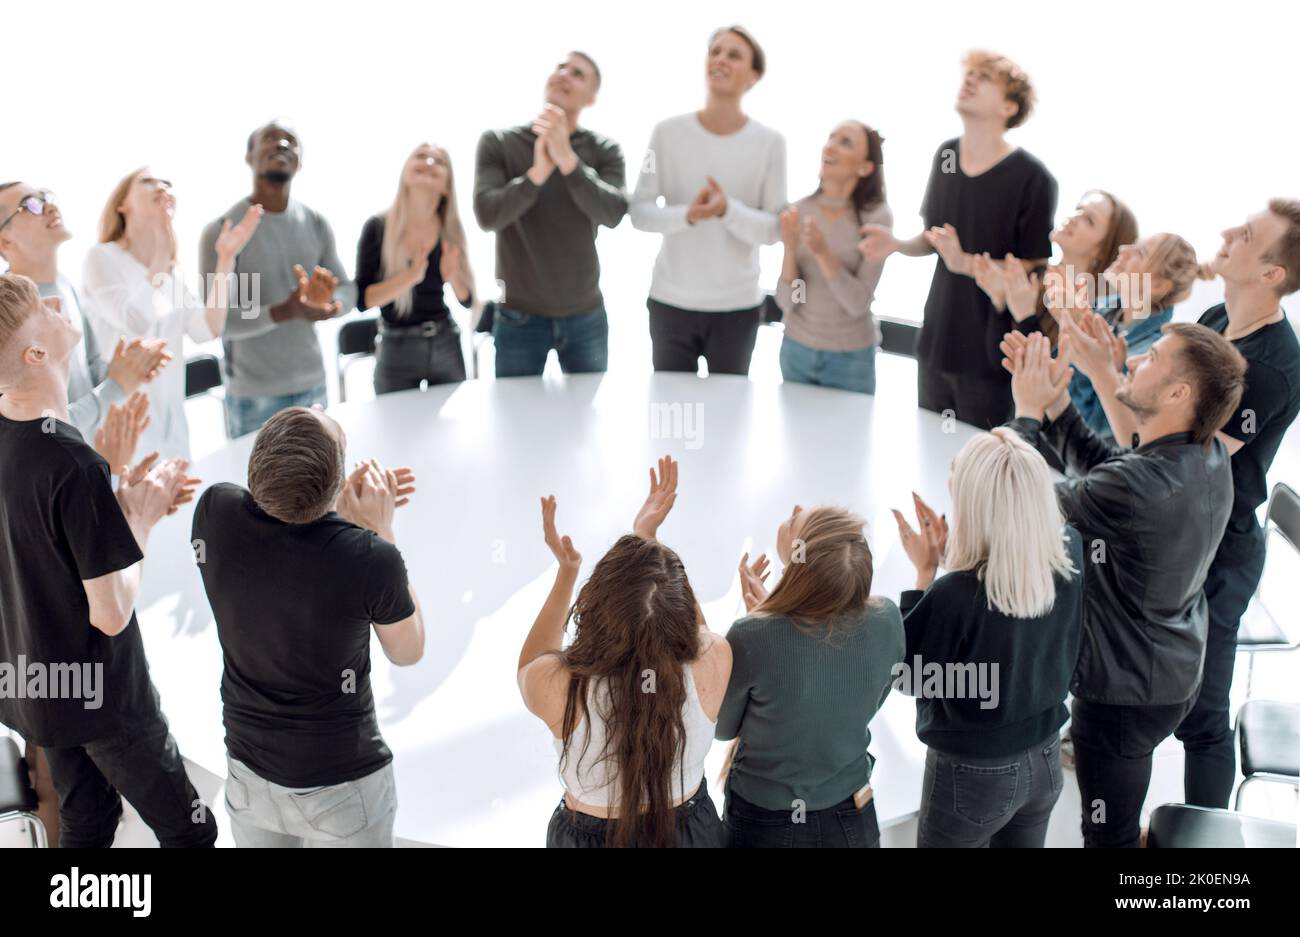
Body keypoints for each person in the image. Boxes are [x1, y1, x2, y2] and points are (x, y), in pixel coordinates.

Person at [1001, 326, 1246, 847]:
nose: (1132, 361)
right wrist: (1058, 403)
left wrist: (1026, 412)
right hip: (1171, 670)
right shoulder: (1206, 455)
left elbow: (1018, 500)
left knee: (1105, 834)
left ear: (1180, 393)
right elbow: (1106, 474)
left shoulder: (1140, 486)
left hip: (1126, 695)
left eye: (1152, 356)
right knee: (1118, 816)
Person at [0, 272, 216, 848]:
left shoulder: (17, 442)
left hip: (40, 692)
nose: (55, 300)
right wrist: (139, 517)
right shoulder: (74, 464)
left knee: (89, 822)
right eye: (40, 306)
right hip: (106, 702)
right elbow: (111, 613)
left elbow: (39, 544)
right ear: (37, 352)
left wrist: (115, 511)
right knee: (191, 831)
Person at [192, 406, 425, 848]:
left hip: (248, 773)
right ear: (334, 483)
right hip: (341, 786)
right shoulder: (371, 559)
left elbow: (285, 531)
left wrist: (336, 506)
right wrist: (380, 526)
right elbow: (408, 650)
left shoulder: (214, 512)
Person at [517, 457, 732, 847]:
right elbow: (696, 629)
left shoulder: (559, 686)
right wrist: (648, 536)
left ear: (595, 607)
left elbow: (533, 662)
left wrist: (567, 571)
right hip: (688, 831)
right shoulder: (715, 658)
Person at [892, 431, 1083, 847]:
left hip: (973, 777)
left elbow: (907, 675)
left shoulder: (954, 594)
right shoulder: (1071, 552)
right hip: (1047, 760)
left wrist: (925, 574)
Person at [859, 50, 1057, 428]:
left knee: (977, 470)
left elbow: (1032, 273)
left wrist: (966, 262)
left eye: (984, 78)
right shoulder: (946, 155)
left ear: (1009, 107)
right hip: (936, 341)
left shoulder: (1034, 179)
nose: (969, 81)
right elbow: (936, 239)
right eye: (970, 73)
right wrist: (897, 245)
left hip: (990, 356)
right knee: (929, 456)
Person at [1179, 202, 1300, 808]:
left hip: (1219, 553)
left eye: (1246, 236)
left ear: (1272, 273)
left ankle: (1201, 846)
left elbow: (1189, 455)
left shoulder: (1276, 365)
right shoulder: (1216, 316)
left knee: (1203, 718)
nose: (1226, 234)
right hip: (1178, 531)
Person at [716, 506, 903, 847]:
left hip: (765, 822)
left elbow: (723, 727)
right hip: (852, 813)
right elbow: (862, 698)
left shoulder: (751, 634)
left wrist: (766, 617)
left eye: (797, 522)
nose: (795, 512)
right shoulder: (888, 618)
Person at [630, 26, 787, 376]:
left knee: (727, 421)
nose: (720, 59)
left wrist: (727, 210)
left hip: (738, 308)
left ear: (753, 76)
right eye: (715, 51)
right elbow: (639, 212)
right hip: (670, 303)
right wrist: (689, 214)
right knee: (673, 417)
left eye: (734, 55)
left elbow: (775, 229)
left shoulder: (771, 143)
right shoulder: (666, 132)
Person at [84, 168, 262, 459]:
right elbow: (134, 321)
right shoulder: (101, 257)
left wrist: (226, 259)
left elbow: (207, 330)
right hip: (124, 438)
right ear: (122, 204)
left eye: (167, 182)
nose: (161, 186)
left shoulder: (171, 273)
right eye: (147, 181)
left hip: (174, 438)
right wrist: (160, 260)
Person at [473, 53, 627, 378]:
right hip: (517, 318)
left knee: (588, 423)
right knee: (517, 422)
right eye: (560, 68)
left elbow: (613, 213)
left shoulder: (605, 151)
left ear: (592, 97)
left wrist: (568, 161)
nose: (564, 75)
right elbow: (488, 215)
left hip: (586, 317)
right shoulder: (500, 143)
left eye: (578, 74)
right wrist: (538, 173)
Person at [200, 121, 357, 438]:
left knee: (321, 487)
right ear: (249, 157)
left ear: (299, 161)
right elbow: (222, 321)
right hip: (254, 396)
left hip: (312, 387)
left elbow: (347, 288)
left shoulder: (316, 223)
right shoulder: (224, 231)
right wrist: (285, 311)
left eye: (290, 141)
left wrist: (328, 305)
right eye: (270, 139)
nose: (281, 145)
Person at [0, 182, 169, 457]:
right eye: (31, 204)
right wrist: (116, 386)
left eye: (47, 196)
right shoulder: (8, 318)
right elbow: (38, 428)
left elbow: (91, 368)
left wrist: (129, 367)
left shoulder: (65, 285)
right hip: (59, 472)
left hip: (91, 460)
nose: (50, 206)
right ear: (5, 242)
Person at [775, 122, 892, 394]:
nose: (831, 145)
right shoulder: (800, 210)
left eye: (846, 142)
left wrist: (822, 252)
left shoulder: (877, 218)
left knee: (848, 436)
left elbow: (856, 303)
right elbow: (786, 301)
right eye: (831, 137)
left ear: (864, 167)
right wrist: (790, 249)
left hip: (851, 358)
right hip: (796, 349)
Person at [357, 144, 476, 394]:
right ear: (405, 174)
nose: (429, 162)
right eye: (421, 156)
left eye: (439, 161)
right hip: (394, 347)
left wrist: (452, 274)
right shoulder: (377, 227)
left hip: (445, 342)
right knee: (396, 429)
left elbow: (467, 300)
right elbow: (363, 300)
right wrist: (411, 277)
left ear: (446, 187)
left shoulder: (450, 230)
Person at [971, 188, 1138, 345]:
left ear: (1104, 250)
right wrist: (999, 300)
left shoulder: (1099, 312)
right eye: (1078, 209)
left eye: (1089, 220)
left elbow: (1060, 373)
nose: (1074, 218)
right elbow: (998, 364)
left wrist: (1025, 315)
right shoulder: (1038, 277)